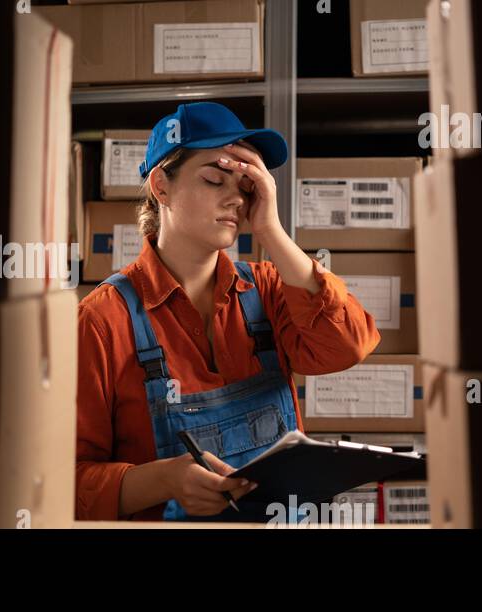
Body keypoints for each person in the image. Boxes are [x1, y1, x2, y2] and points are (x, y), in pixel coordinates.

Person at [75, 102, 382, 522]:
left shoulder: (270, 288)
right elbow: (68, 483)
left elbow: (346, 347)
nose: (236, 197)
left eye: (246, 184)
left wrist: (271, 230)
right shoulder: (102, 320)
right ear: (161, 186)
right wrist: (165, 480)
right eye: (215, 179)